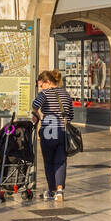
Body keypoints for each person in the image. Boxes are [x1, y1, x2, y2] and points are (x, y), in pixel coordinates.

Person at [32, 69, 73, 202]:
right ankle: (60, 190)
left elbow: (34, 105)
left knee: (49, 162)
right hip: (62, 131)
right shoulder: (66, 94)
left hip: (48, 131)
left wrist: (36, 114)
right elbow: (71, 115)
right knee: (61, 161)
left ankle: (52, 190)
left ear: (48, 82)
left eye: (41, 85)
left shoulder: (44, 94)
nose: (41, 88)